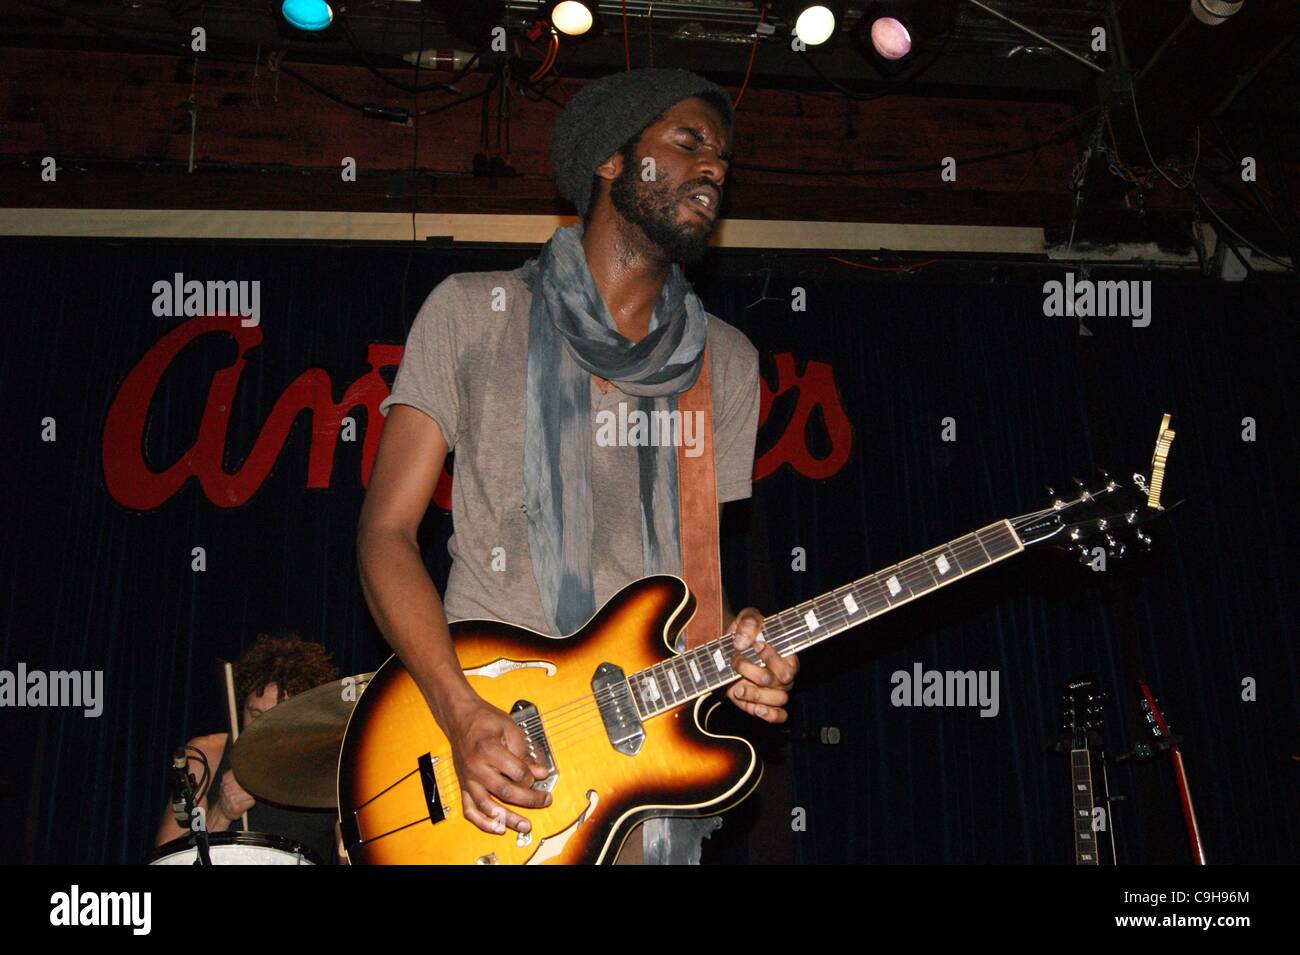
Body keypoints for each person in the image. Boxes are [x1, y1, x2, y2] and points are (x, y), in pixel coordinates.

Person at [358, 67, 798, 864]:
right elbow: (386, 533)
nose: (713, 170)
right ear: (610, 160)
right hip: (486, 754)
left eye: (724, 162)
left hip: (639, 775)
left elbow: (698, 587)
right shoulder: (469, 311)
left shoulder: (727, 363)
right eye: (690, 142)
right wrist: (457, 713)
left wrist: (739, 660)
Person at [155, 631, 341, 864]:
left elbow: (351, 855)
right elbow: (168, 858)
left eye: (277, 719)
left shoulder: (333, 770)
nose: (262, 729)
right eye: (255, 715)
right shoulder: (207, 756)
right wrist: (220, 814)